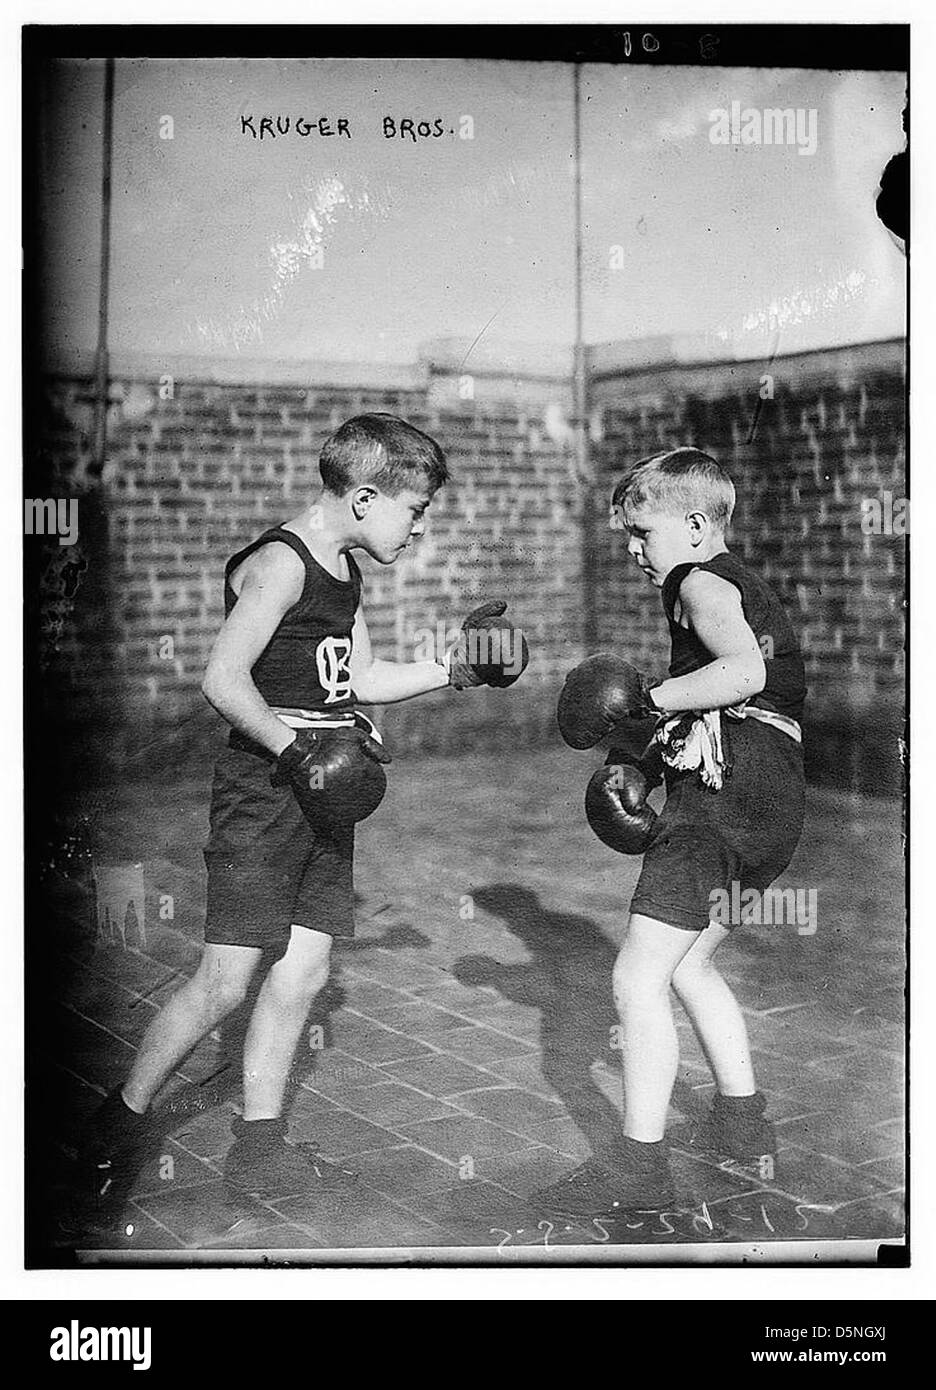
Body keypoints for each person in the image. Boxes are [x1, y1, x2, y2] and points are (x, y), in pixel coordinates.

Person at [82, 412, 527, 1203]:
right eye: (414, 511)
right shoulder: (281, 564)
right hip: (266, 791)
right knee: (226, 980)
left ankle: (258, 1147)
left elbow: (356, 680)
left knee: (304, 970)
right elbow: (223, 680)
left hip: (326, 788)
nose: (418, 530)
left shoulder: (344, 571)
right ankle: (112, 1127)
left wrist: (455, 668)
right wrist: (297, 754)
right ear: (363, 497)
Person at [540, 446, 806, 1214]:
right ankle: (744, 1128)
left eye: (642, 533)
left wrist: (645, 700)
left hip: (722, 798)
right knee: (692, 967)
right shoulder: (744, 584)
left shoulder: (697, 579)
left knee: (635, 978)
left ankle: (637, 1169)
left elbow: (742, 676)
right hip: (773, 801)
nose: (632, 550)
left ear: (694, 525)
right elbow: (733, 699)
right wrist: (644, 763)